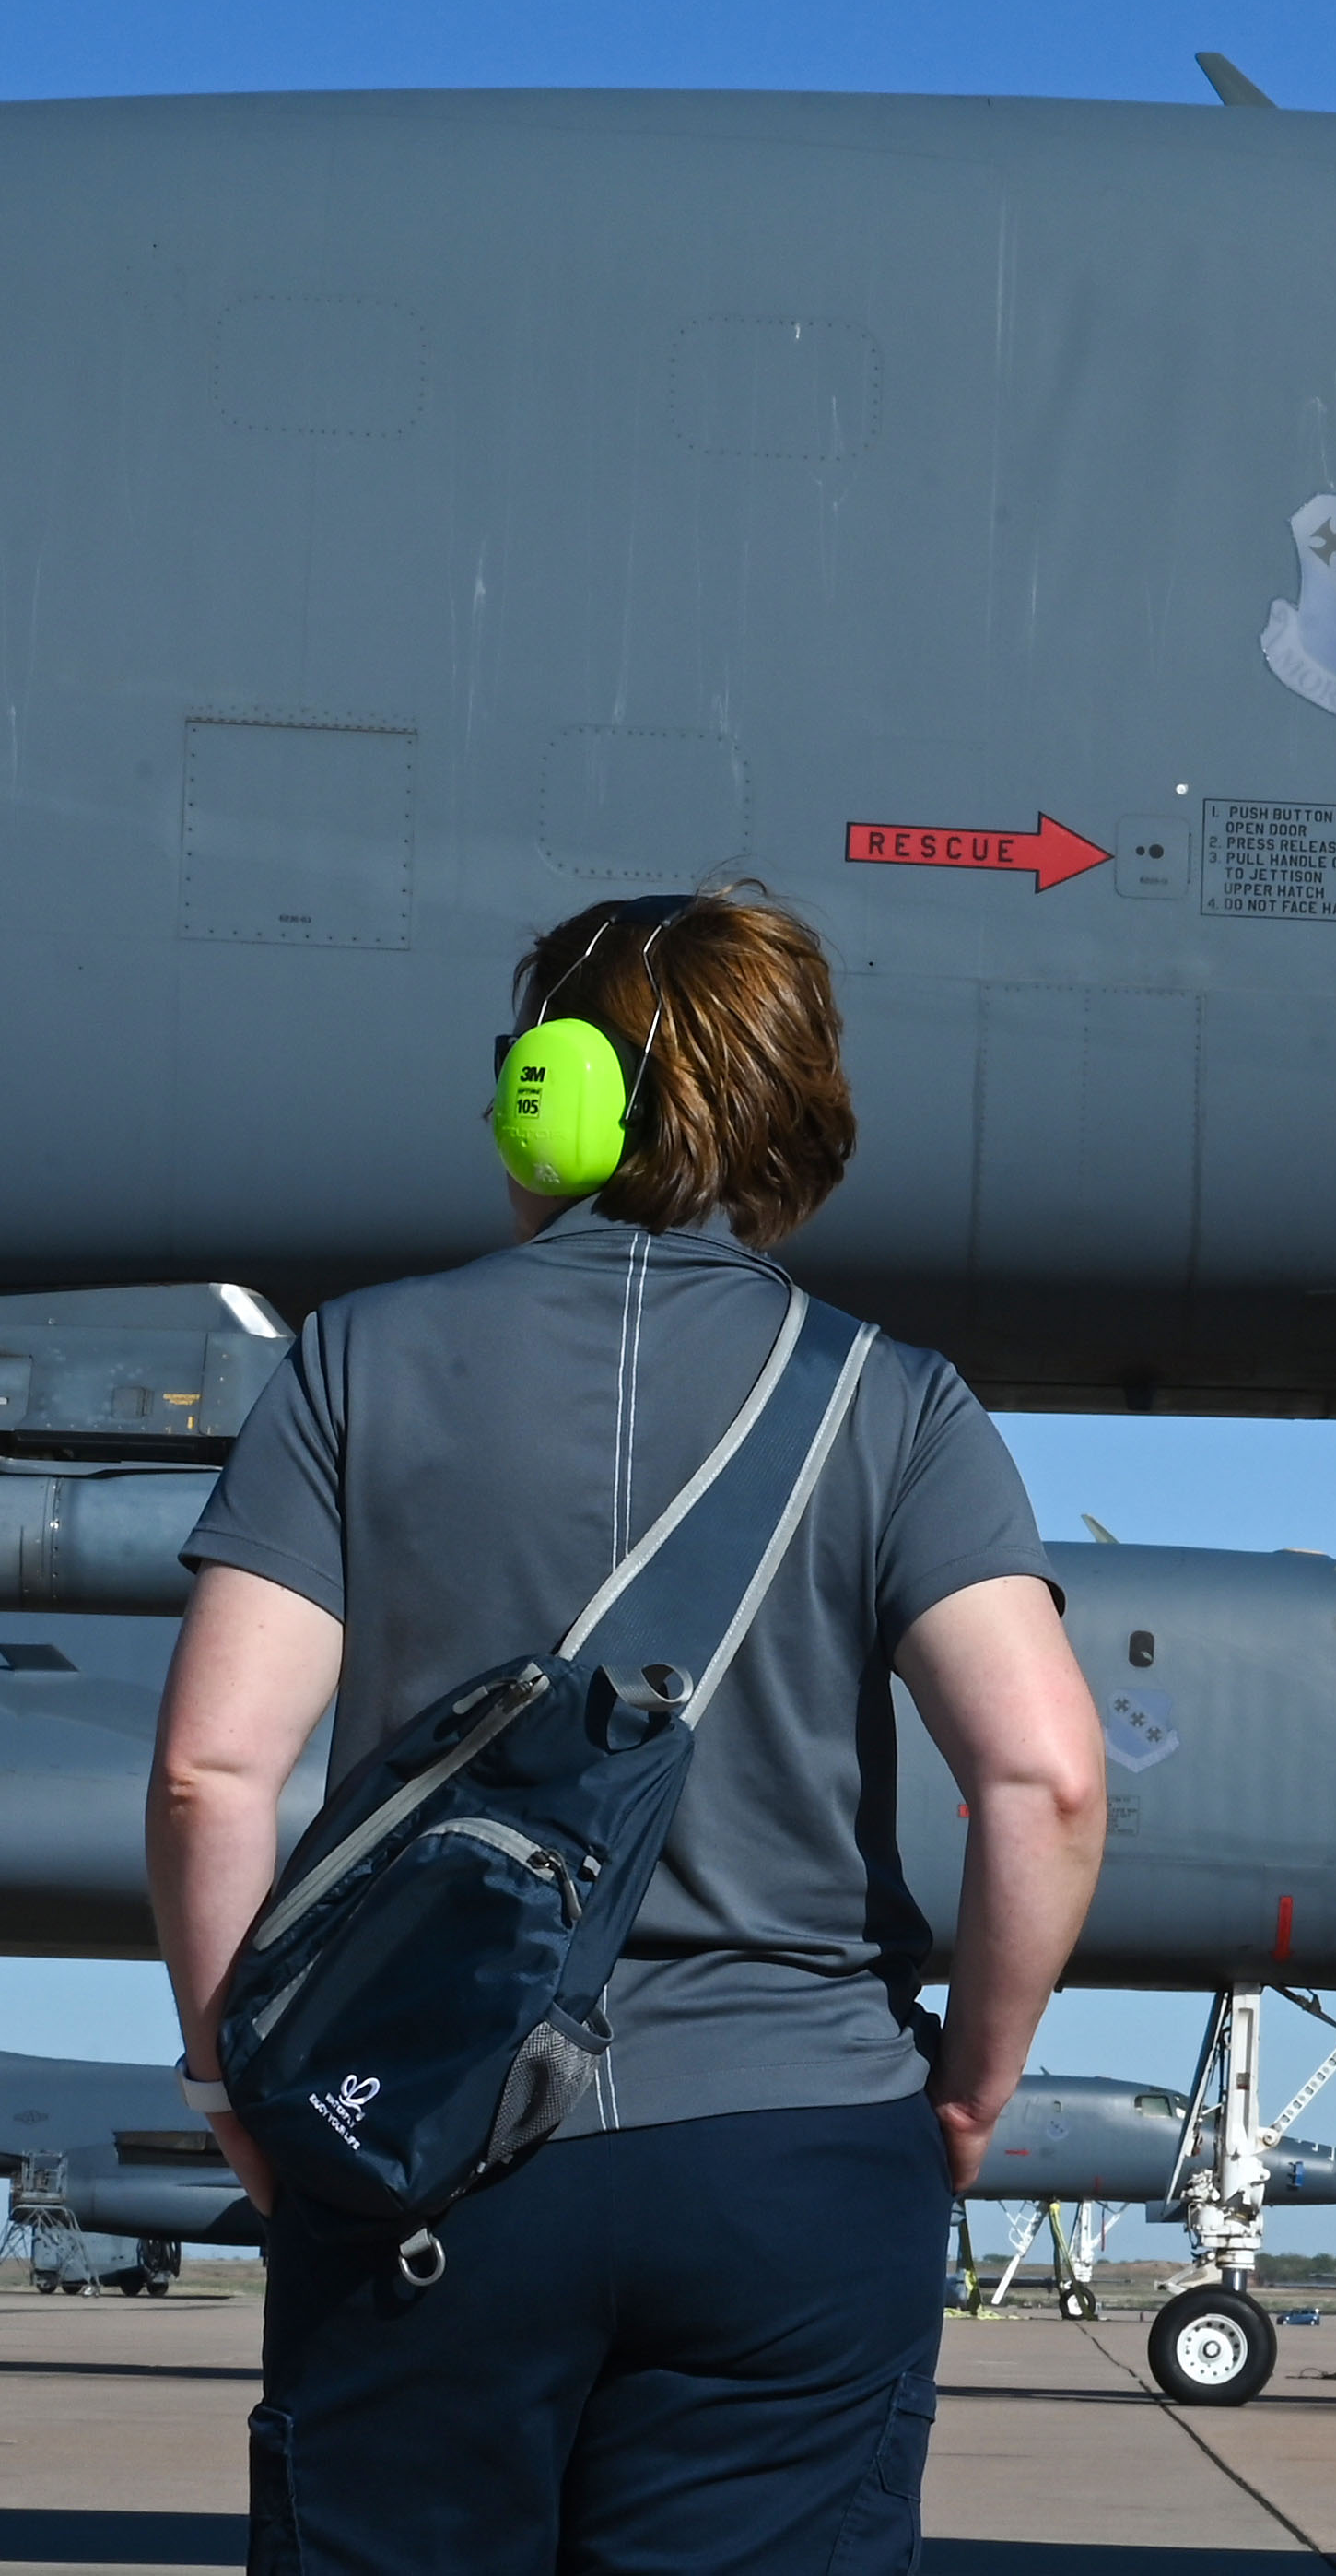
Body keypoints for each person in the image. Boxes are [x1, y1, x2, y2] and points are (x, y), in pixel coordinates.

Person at [147, 886, 1107, 2575]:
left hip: (422, 2147)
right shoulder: (893, 1400)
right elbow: (1043, 1775)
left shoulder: (356, 1364)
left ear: (553, 1092)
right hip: (795, 2157)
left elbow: (210, 1767)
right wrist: (969, 2088)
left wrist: (241, 2071)